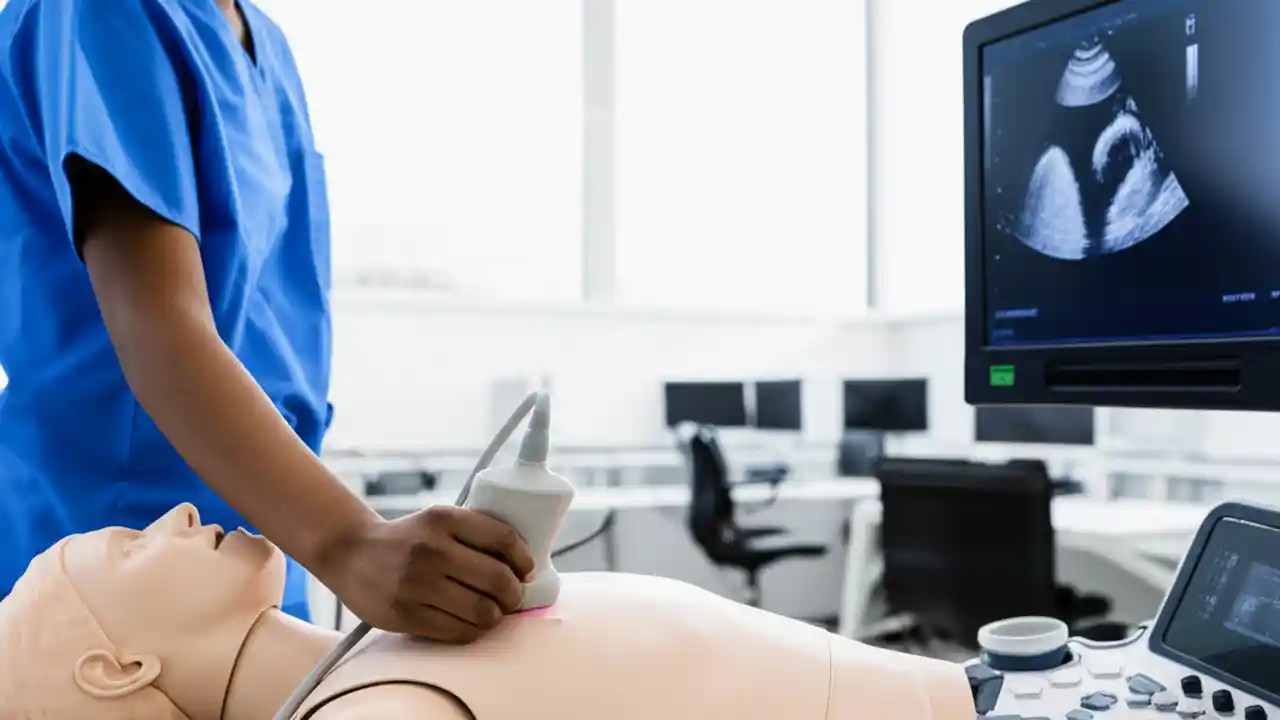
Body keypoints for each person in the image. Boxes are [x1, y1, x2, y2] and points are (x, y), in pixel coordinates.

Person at [0, 0, 531, 639]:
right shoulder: (100, 13)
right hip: (115, 562)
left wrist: (333, 541)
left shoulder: (263, 45)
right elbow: (158, 324)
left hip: (270, 550)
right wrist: (351, 541)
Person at [0, 504, 978, 719]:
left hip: (985, 691)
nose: (173, 512)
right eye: (125, 546)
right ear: (114, 671)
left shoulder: (377, 649)